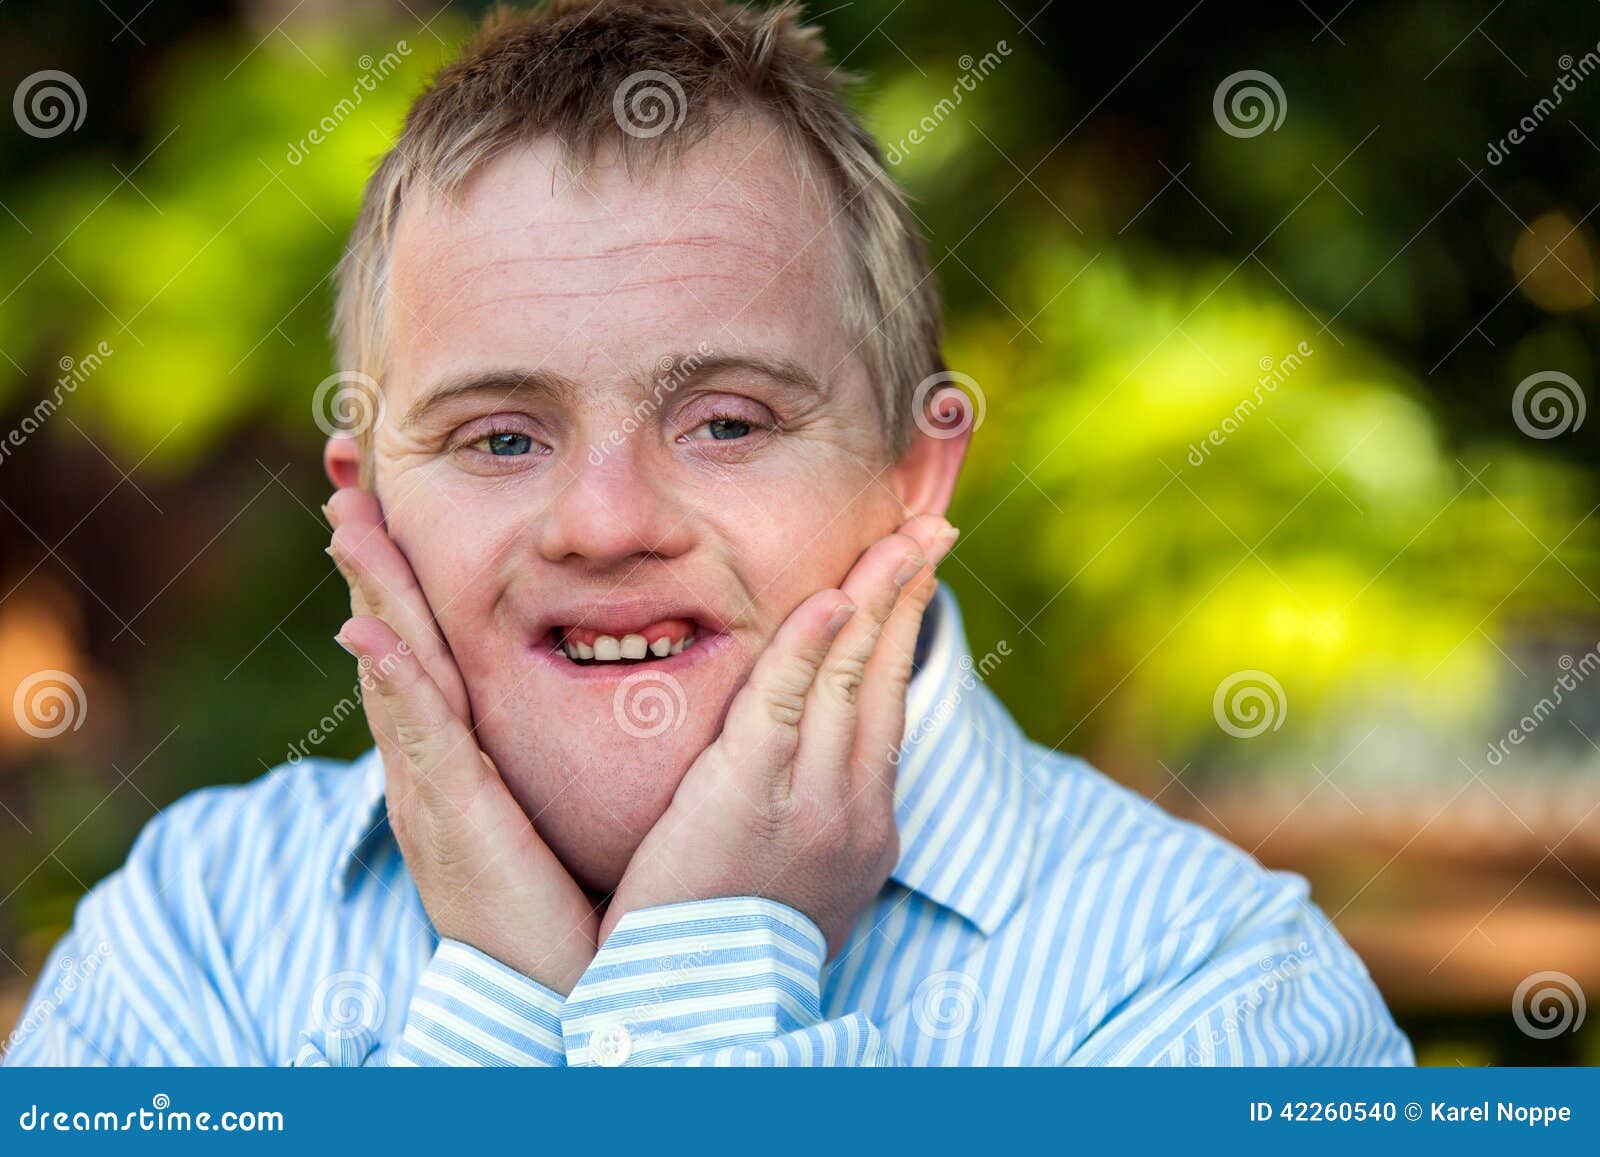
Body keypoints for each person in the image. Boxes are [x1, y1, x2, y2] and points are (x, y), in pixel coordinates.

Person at [5, 0, 1412, 1067]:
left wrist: (692, 978)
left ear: (916, 471)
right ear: (367, 503)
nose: (605, 524)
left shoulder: (1213, 992)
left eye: (728, 422)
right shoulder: (189, 939)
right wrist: (508, 1002)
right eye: (501, 437)